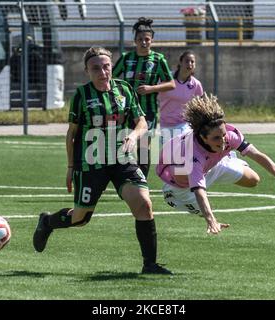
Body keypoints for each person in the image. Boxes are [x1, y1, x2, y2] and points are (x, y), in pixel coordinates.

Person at [33, 46, 172, 275]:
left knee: (144, 205)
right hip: (90, 162)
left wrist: (133, 136)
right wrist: (70, 167)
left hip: (122, 158)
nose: (102, 72)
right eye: (95, 68)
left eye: (106, 66)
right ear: (87, 71)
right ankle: (47, 222)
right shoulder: (81, 96)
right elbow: (72, 134)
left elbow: (142, 123)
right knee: (80, 219)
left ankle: (150, 265)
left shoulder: (124, 89)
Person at [156, 94, 275, 234]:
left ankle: (223, 158)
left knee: (253, 180)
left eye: (223, 134)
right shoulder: (193, 156)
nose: (223, 140)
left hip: (211, 165)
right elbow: (199, 191)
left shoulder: (229, 137)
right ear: (203, 137)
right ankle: (171, 193)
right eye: (216, 138)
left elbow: (256, 154)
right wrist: (211, 220)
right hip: (182, 183)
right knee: (204, 208)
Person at [112, 17, 175, 178]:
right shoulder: (127, 58)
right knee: (121, 143)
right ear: (135, 41)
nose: (144, 42)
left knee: (143, 146)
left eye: (147, 39)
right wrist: (119, 93)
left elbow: (171, 84)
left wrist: (151, 88)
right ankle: (119, 177)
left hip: (148, 111)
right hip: (126, 110)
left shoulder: (158, 59)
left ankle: (142, 181)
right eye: (140, 39)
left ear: (152, 40)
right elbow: (111, 78)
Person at [158, 51, 203, 147]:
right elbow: (154, 92)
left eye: (192, 62)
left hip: (183, 123)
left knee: (182, 149)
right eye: (187, 61)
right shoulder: (166, 78)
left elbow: (201, 106)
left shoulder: (196, 84)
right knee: (169, 155)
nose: (190, 64)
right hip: (165, 123)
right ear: (180, 62)